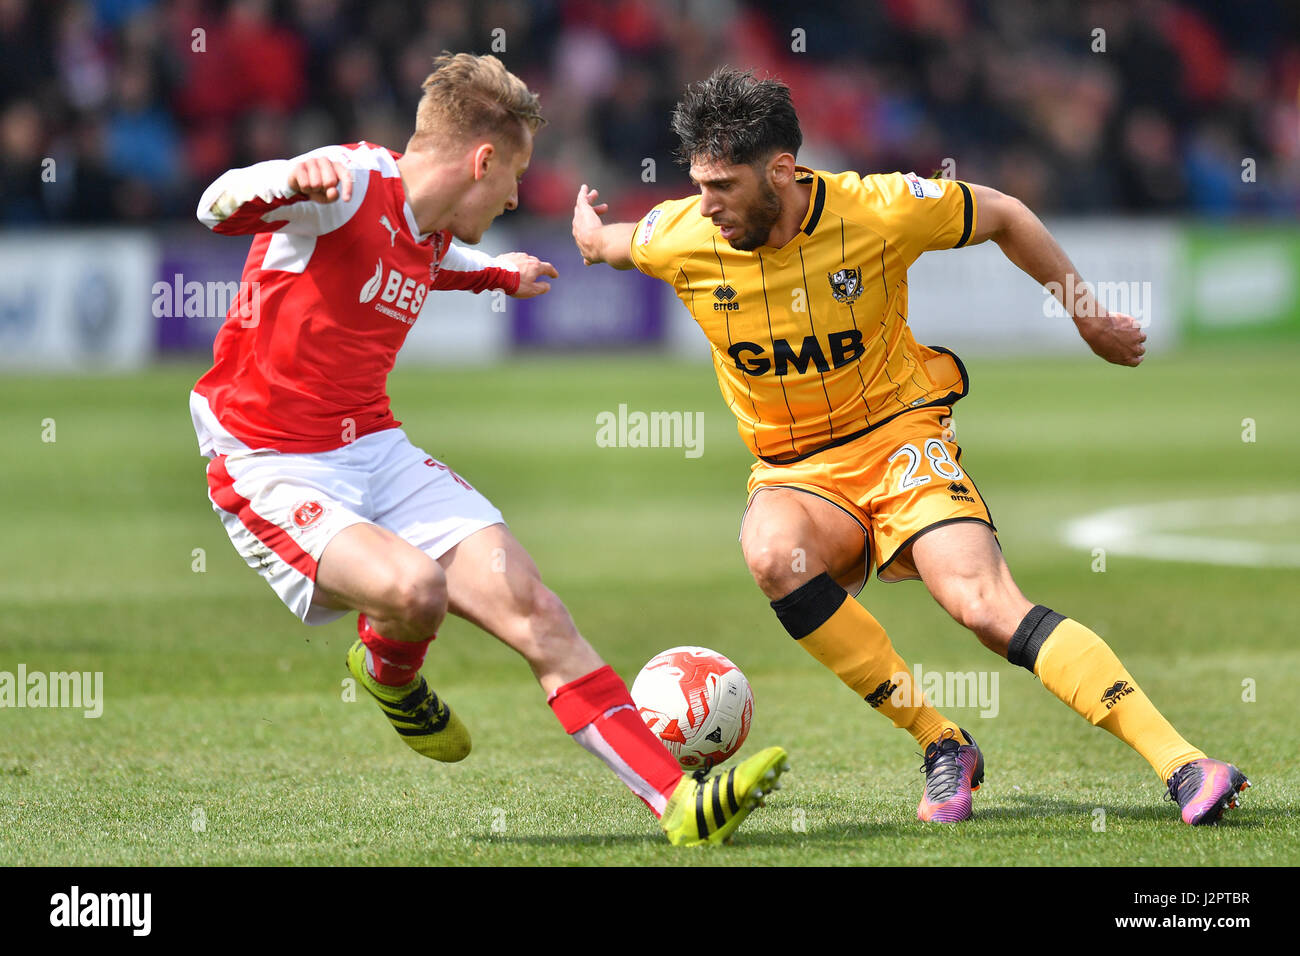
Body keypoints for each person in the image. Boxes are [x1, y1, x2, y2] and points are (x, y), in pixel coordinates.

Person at [572, 67, 1248, 825]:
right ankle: (941, 741)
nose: (708, 205)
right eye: (698, 184)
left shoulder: (878, 208)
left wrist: (1086, 315)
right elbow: (618, 242)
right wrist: (590, 235)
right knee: (771, 553)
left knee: (984, 607)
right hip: (797, 474)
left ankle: (1184, 763)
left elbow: (1005, 213)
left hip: (900, 442)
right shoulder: (685, 235)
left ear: (784, 171)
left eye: (724, 185)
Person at [190, 53, 786, 847]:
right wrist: (288, 178)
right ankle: (387, 670)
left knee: (535, 606)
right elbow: (214, 206)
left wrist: (499, 274)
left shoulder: (427, 227)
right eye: (515, 175)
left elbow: (434, 259)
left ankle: (679, 802)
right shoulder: (346, 184)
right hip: (267, 459)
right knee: (414, 591)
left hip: (375, 445)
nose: (515, 196)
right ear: (482, 159)